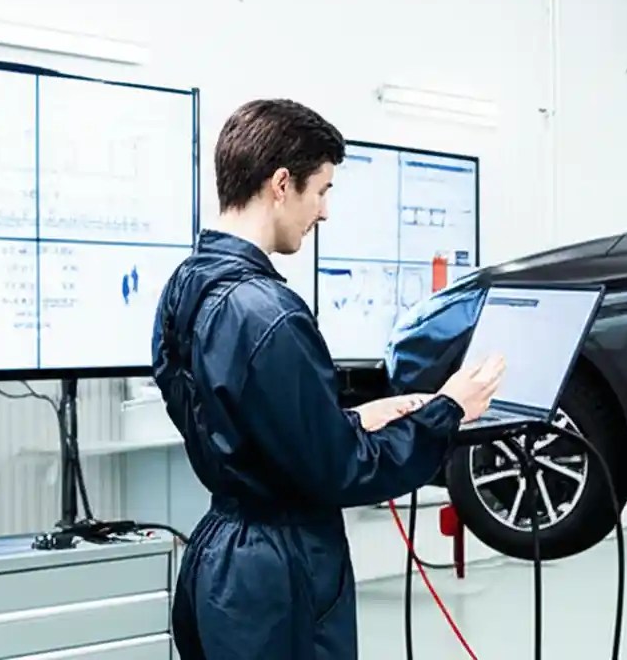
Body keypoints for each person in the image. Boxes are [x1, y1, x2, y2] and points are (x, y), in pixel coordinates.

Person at [150, 98, 505, 660]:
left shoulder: (184, 291)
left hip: (218, 559)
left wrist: (351, 419)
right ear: (281, 184)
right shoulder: (272, 314)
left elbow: (239, 426)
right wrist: (450, 409)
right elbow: (340, 471)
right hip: (280, 570)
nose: (324, 212)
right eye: (322, 191)